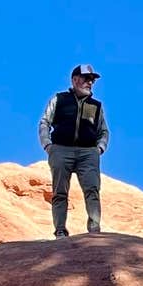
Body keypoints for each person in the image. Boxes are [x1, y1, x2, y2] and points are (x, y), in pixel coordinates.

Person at [39, 63, 109, 237]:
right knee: (60, 193)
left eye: (92, 80)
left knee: (92, 190)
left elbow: (104, 131)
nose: (90, 82)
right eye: (87, 78)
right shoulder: (60, 99)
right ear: (75, 79)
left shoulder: (96, 105)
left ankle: (94, 229)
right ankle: (60, 231)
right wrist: (48, 145)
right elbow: (44, 122)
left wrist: (99, 149)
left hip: (88, 153)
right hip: (61, 150)